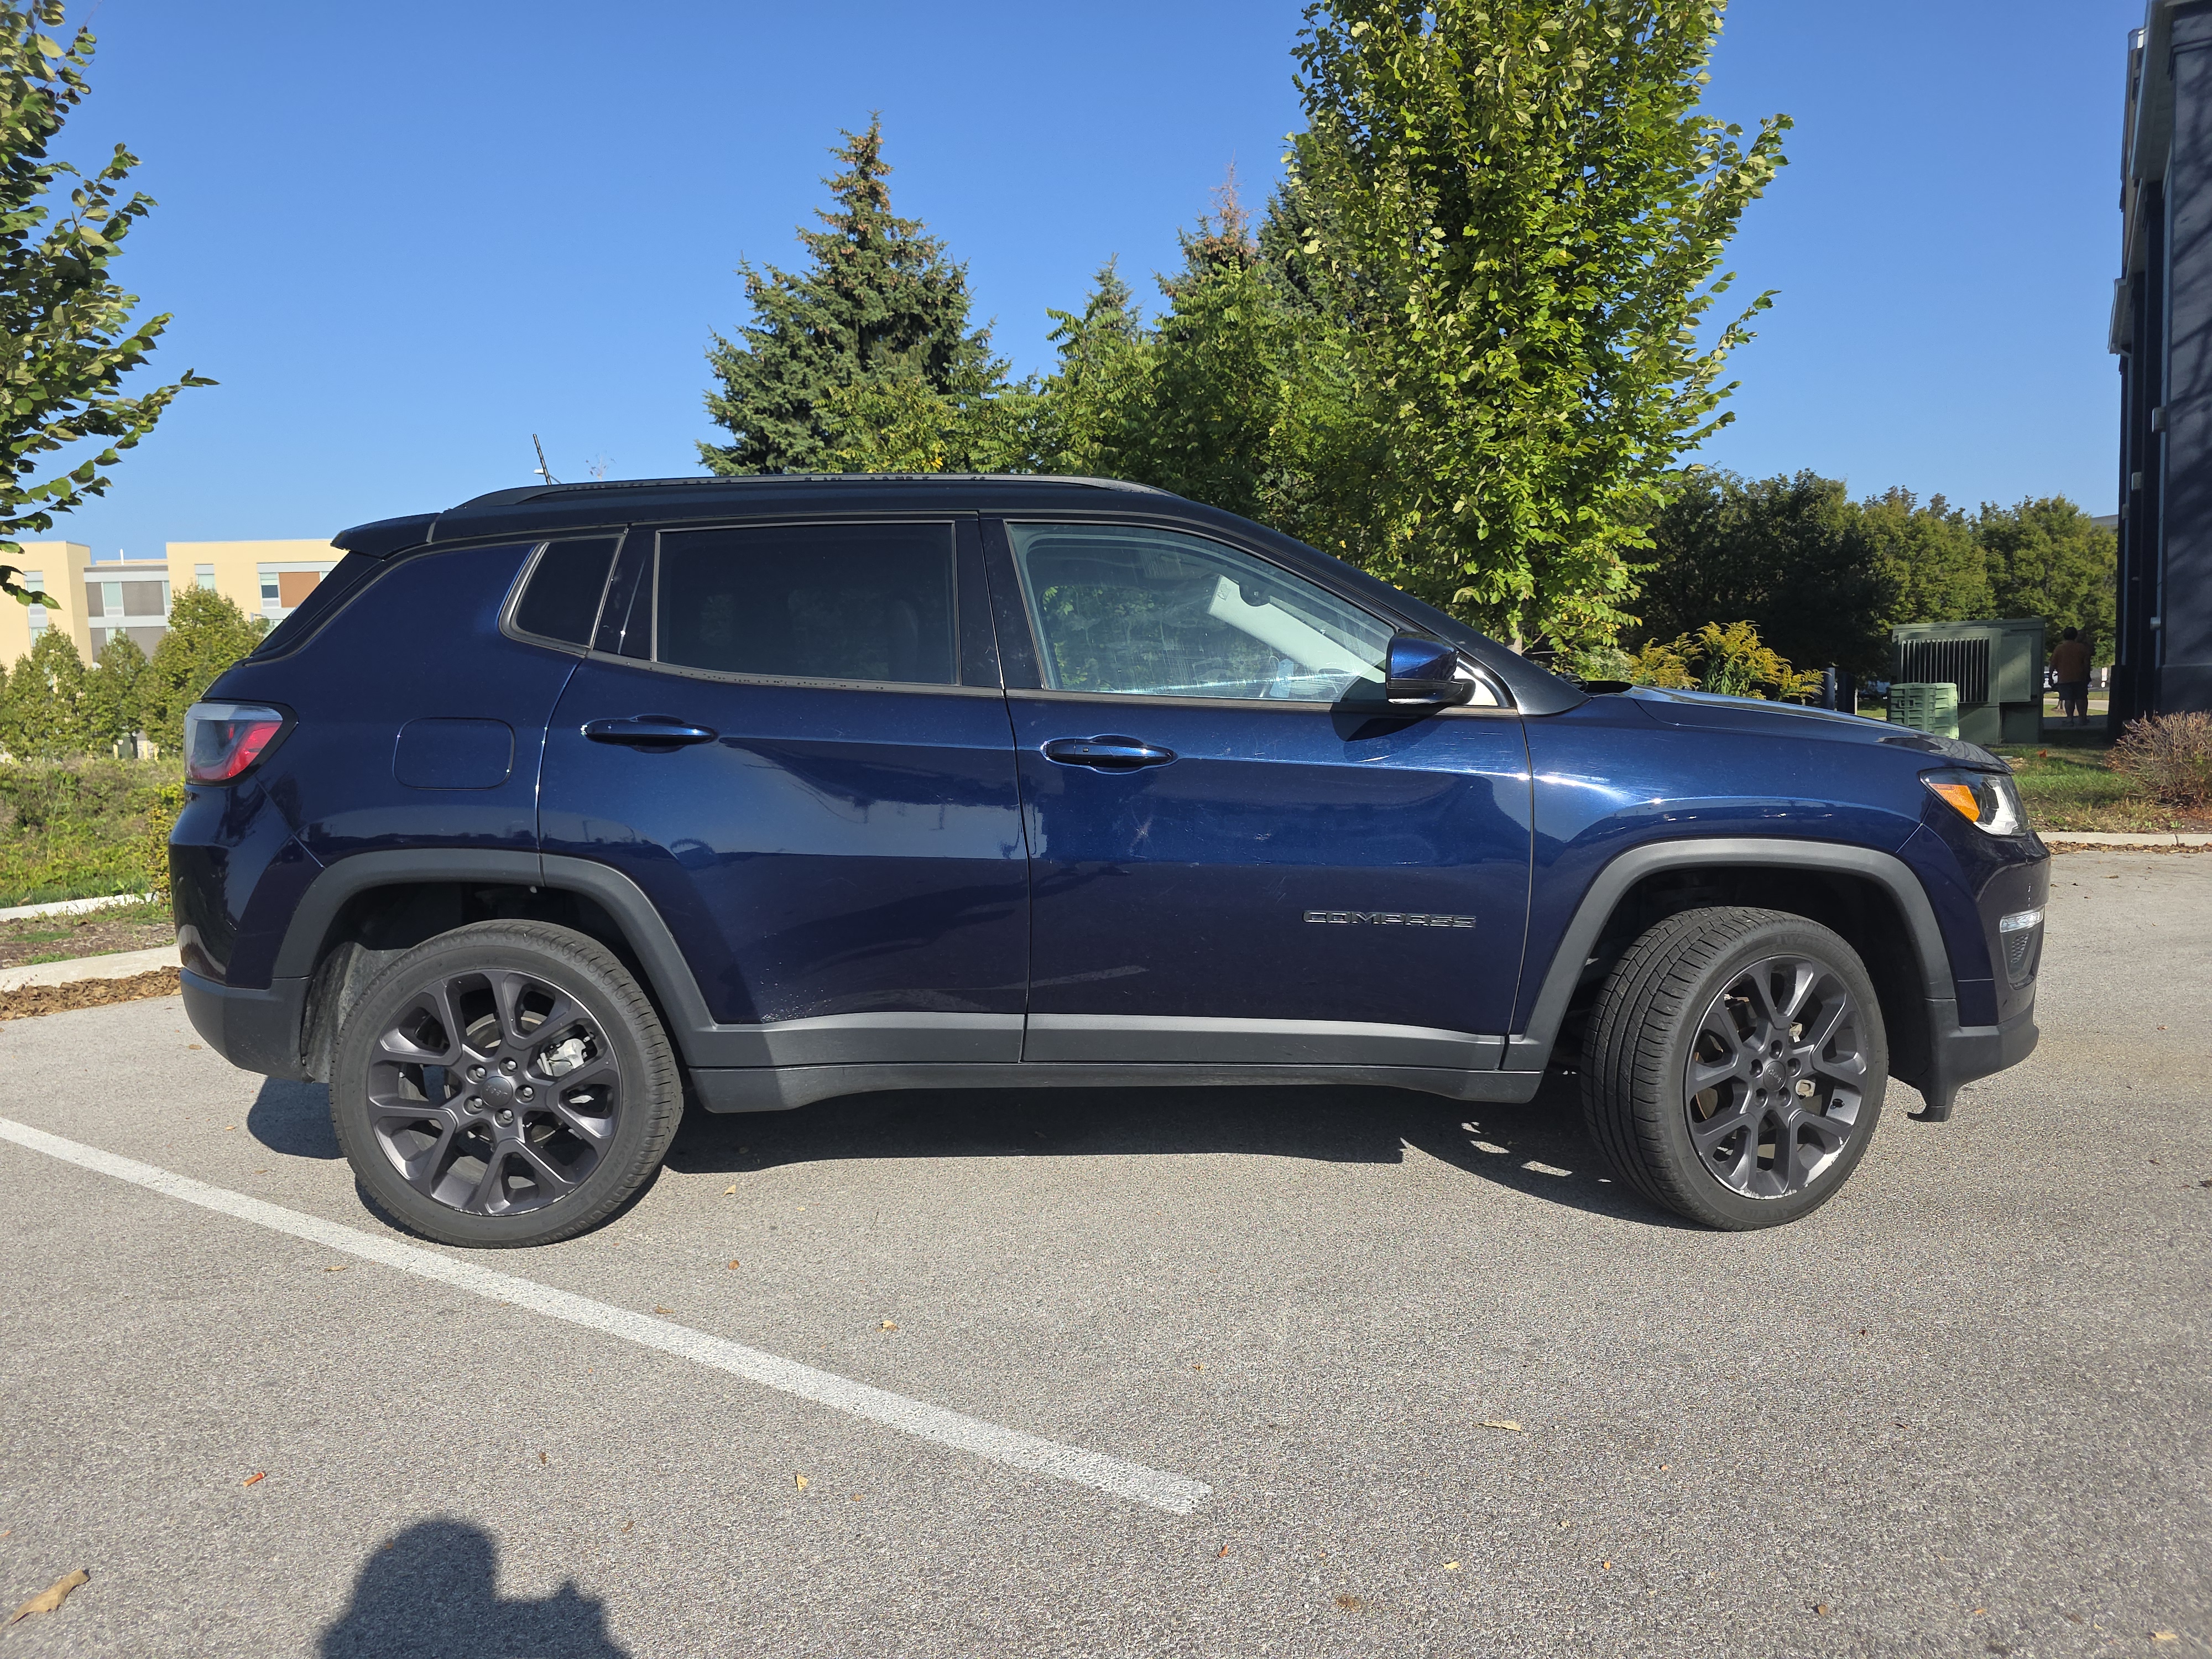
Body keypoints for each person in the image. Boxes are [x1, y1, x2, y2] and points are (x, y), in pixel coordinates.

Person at [2050, 627, 2092, 728]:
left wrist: (2051, 676)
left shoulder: (2059, 648)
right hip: (2080, 677)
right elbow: (2086, 664)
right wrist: (2087, 675)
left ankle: (2070, 719)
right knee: (2081, 698)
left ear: (2064, 636)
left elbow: (2053, 664)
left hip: (2064, 678)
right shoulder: (2082, 648)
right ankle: (2082, 719)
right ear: (2075, 636)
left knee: (2068, 699)